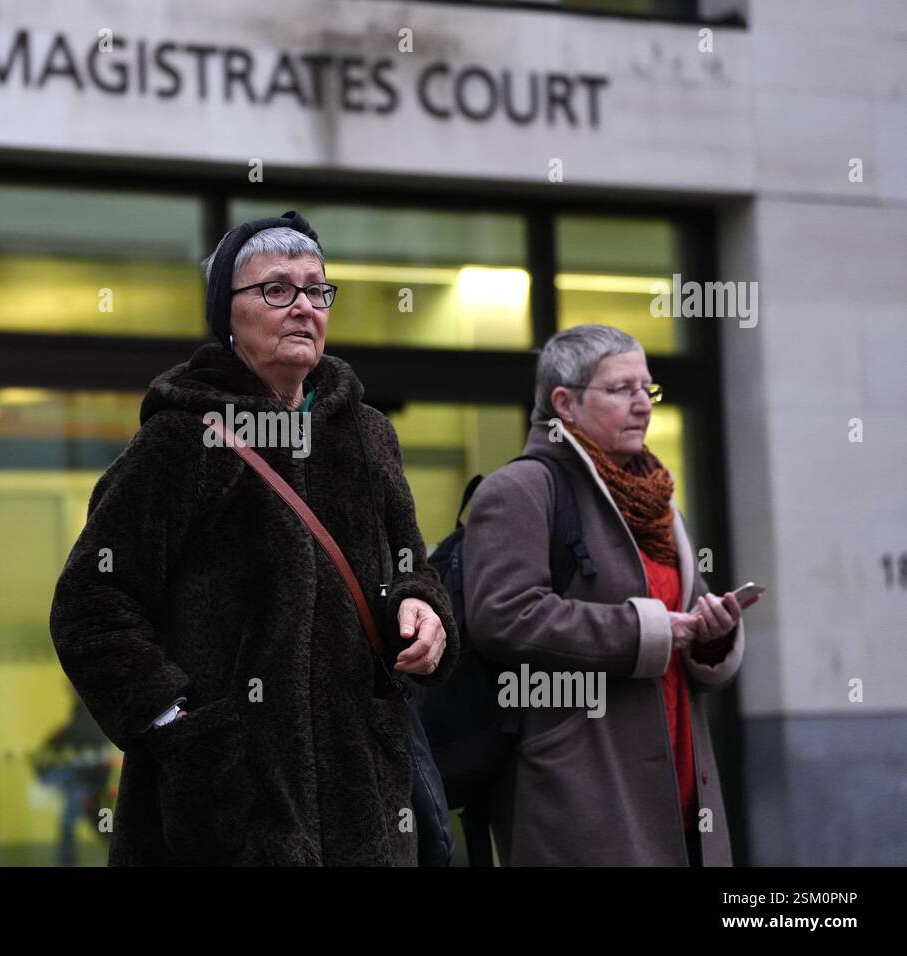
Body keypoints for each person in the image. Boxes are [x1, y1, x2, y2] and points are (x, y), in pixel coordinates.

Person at [49, 210, 458, 865]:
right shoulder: (181, 443)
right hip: (223, 819)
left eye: (316, 289)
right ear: (227, 316)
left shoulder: (365, 435)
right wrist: (179, 727)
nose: (303, 307)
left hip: (367, 810)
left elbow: (412, 565)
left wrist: (423, 607)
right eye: (276, 290)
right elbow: (90, 606)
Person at [464, 323, 744, 866]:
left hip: (685, 789)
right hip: (583, 798)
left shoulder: (658, 502)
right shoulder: (520, 489)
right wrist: (648, 630)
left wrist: (713, 634)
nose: (643, 405)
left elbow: (685, 620)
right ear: (564, 402)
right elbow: (504, 615)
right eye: (622, 389)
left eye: (648, 389)